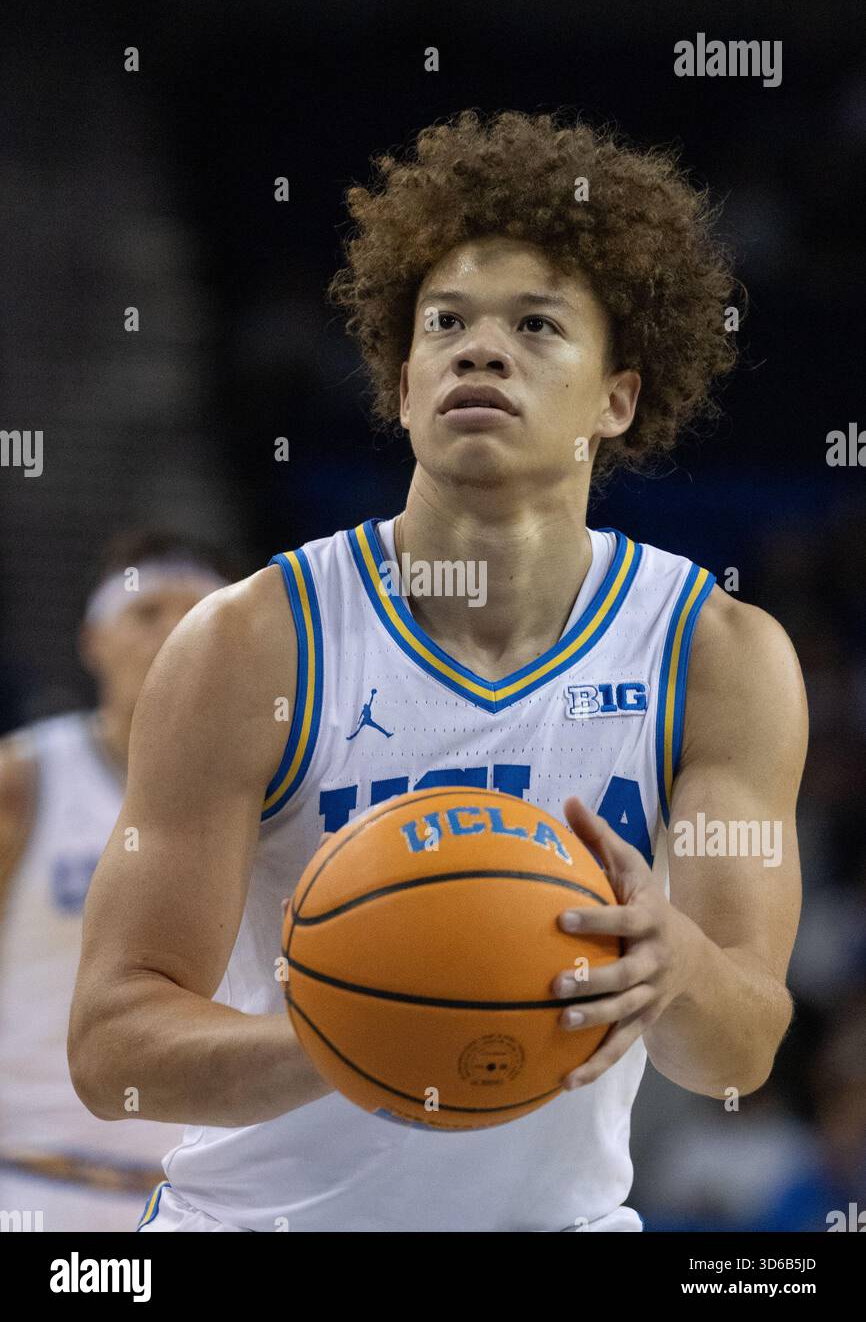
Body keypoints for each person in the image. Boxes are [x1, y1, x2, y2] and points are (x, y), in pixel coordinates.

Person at [70, 110, 807, 1233]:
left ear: (616, 398)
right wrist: (356, 1040)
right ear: (401, 383)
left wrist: (680, 970)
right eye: (444, 323)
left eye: (536, 326)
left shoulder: (714, 653)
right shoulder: (251, 642)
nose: (479, 348)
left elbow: (738, 1050)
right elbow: (112, 1044)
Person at [0, 529, 232, 1230]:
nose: (171, 631)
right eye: (145, 613)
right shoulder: (24, 780)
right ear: (92, 641)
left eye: (195, 615)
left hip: (203, 1202)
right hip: (35, 1182)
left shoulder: (273, 801)